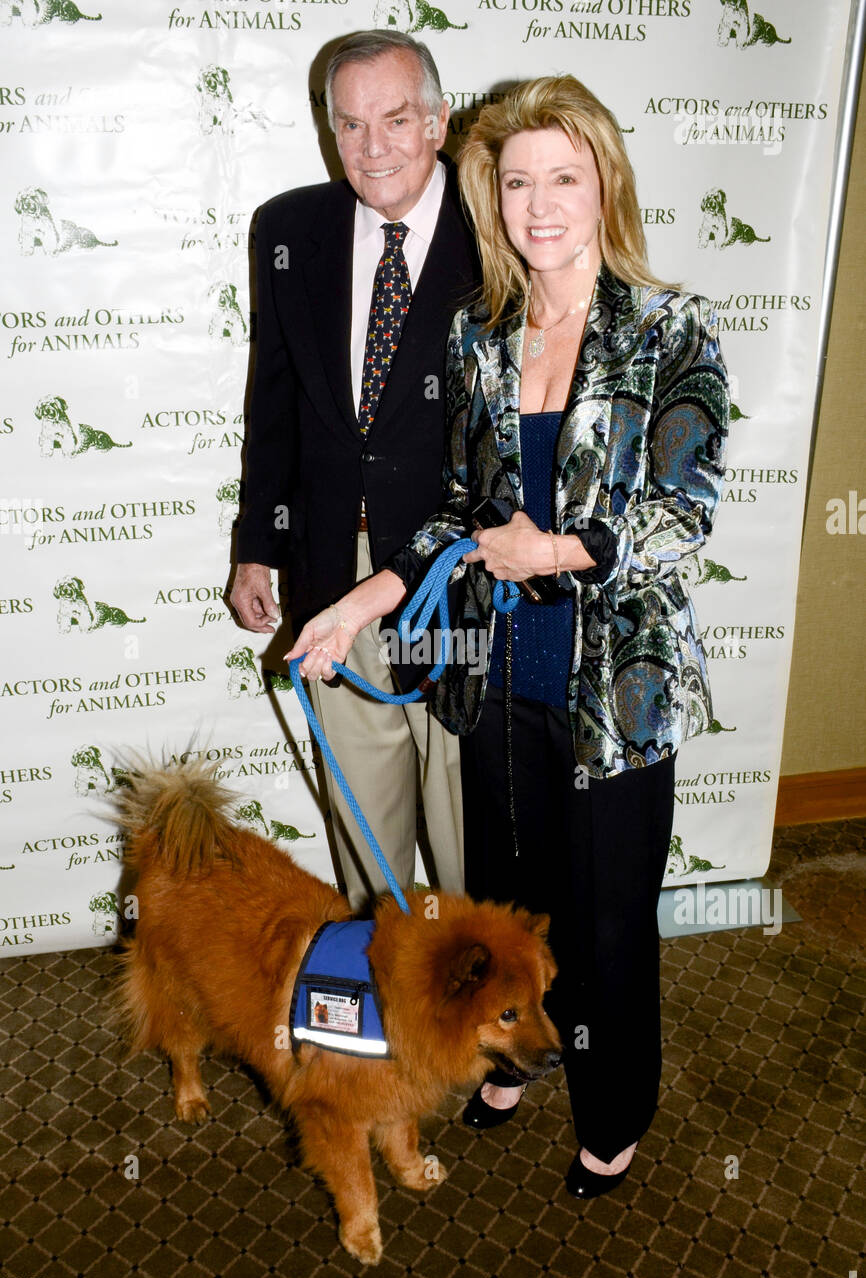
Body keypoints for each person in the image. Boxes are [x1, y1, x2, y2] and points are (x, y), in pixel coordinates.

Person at [287, 75, 729, 1197]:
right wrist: (356, 602)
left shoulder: (664, 325)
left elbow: (685, 509)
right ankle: (518, 1056)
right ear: (493, 193)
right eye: (517, 180)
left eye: (562, 179)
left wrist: (560, 551)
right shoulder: (481, 335)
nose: (538, 205)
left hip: (612, 688)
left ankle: (614, 1104)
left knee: (608, 920)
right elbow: (453, 512)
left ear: (603, 185)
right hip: (492, 677)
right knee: (507, 896)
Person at [230, 31, 479, 913]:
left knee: (466, 825)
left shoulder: (503, 227)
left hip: (461, 582)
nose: (373, 148)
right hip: (331, 564)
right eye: (350, 126)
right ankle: (392, 991)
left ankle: (483, 1011)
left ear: (439, 121)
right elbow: (277, 398)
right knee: (367, 826)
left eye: (396, 119)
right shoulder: (290, 229)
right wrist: (259, 543)